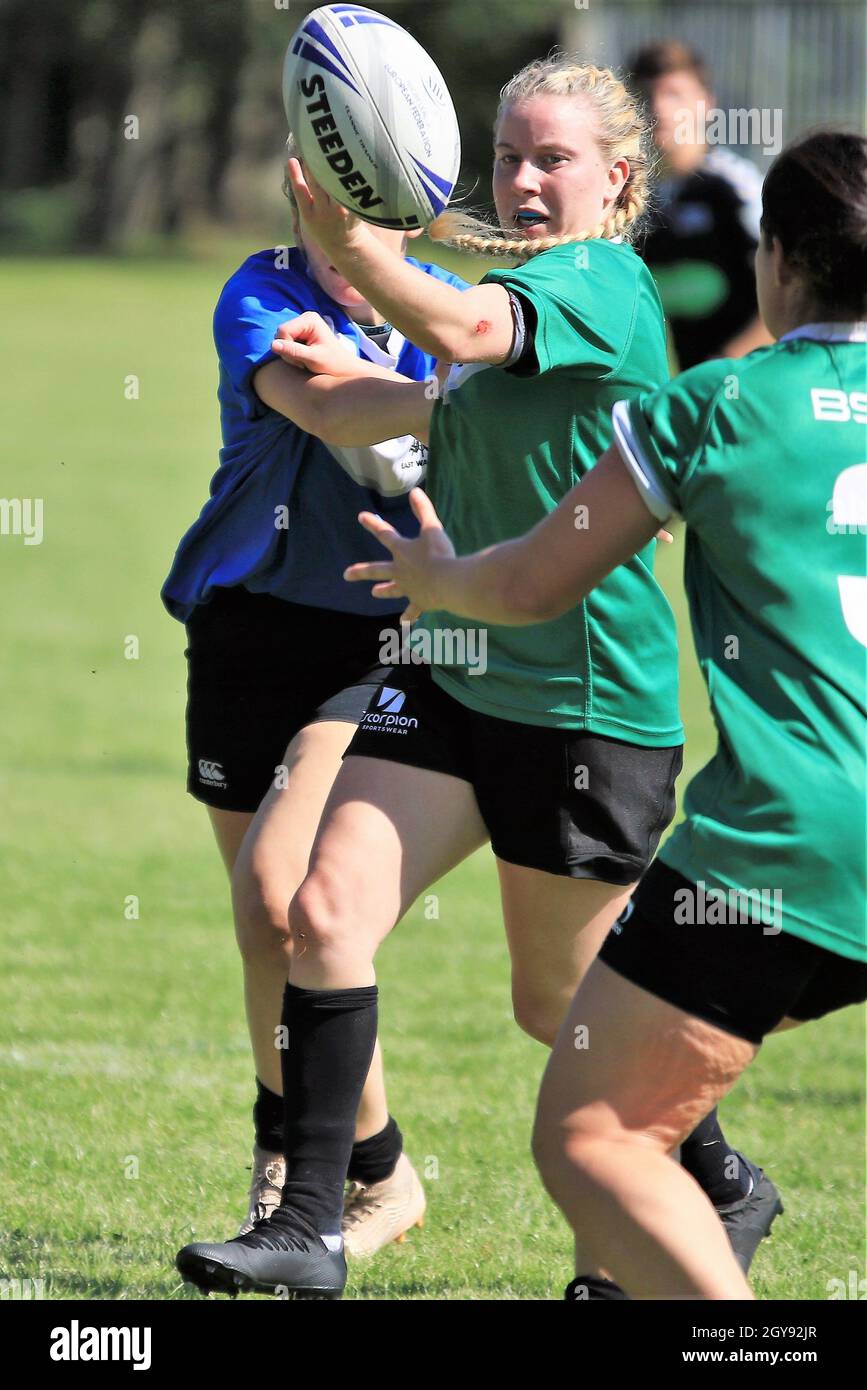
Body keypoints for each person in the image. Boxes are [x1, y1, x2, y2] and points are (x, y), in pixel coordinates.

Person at [176, 55, 774, 1302]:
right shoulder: (505, 295)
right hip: (457, 668)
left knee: (559, 1003)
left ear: (616, 180)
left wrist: (352, 233)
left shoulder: (600, 287)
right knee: (319, 909)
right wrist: (313, 375)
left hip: (583, 703)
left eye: (550, 158)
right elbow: (407, 401)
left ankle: (716, 1182)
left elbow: (458, 330)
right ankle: (312, 1221)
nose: (522, 179)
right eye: (508, 156)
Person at [338, 129, 867, 1298]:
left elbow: (531, 582)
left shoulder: (717, 406)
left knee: (593, 1134)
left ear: (777, 260)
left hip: (789, 844)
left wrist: (441, 581)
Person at [161, 133, 466, 1255]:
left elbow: (431, 416)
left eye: (372, 223)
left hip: (376, 641)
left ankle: (312, 1179)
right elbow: (334, 418)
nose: (350, 246)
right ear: (302, 198)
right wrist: (420, 392)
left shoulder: (448, 310)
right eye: (333, 217)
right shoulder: (259, 292)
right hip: (246, 630)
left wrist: (439, 388)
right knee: (263, 919)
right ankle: (360, 1168)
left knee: (285, 895)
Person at [628, 40, 773, 368]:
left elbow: (793, 283)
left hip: (745, 386)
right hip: (691, 390)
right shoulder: (637, 197)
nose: (659, 108)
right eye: (646, 95)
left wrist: (726, 368)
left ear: (706, 104)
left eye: (674, 94)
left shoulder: (735, 188)